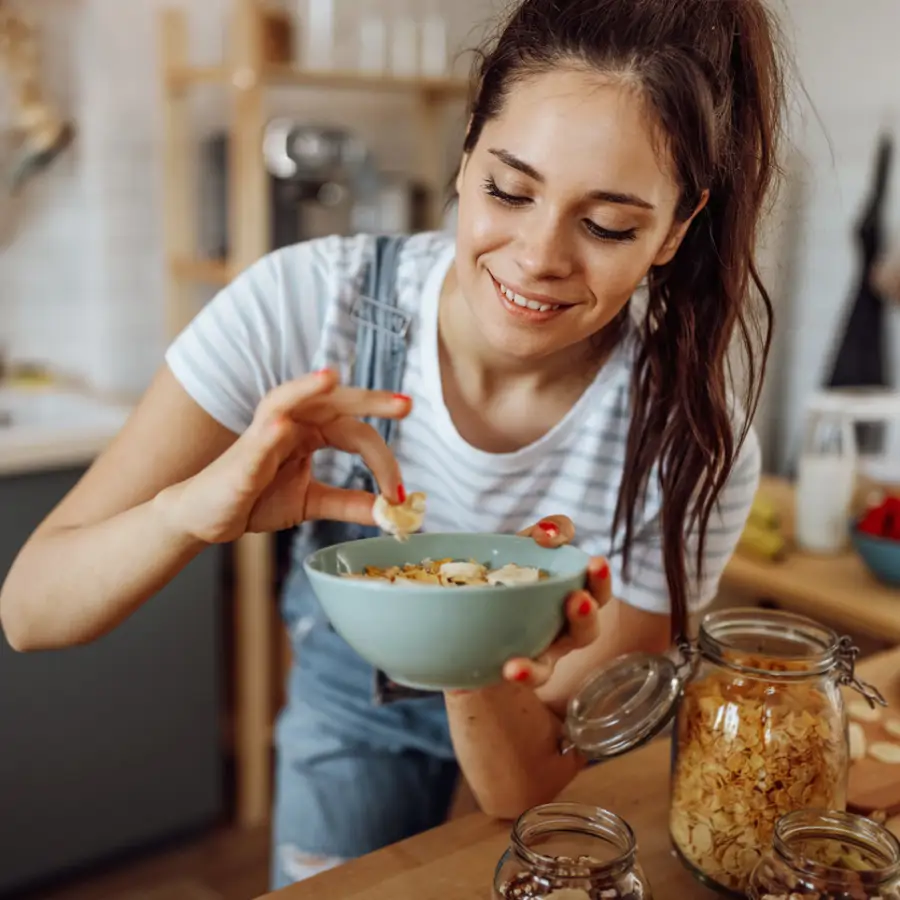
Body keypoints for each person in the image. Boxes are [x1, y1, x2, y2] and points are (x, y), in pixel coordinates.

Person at [0, 0, 785, 888]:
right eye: (508, 189)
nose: (536, 257)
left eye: (607, 225)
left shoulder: (688, 443)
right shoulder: (306, 305)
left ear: (676, 231)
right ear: (463, 156)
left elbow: (529, 783)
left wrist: (470, 638)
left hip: (517, 728)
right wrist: (191, 512)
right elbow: (31, 610)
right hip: (349, 717)